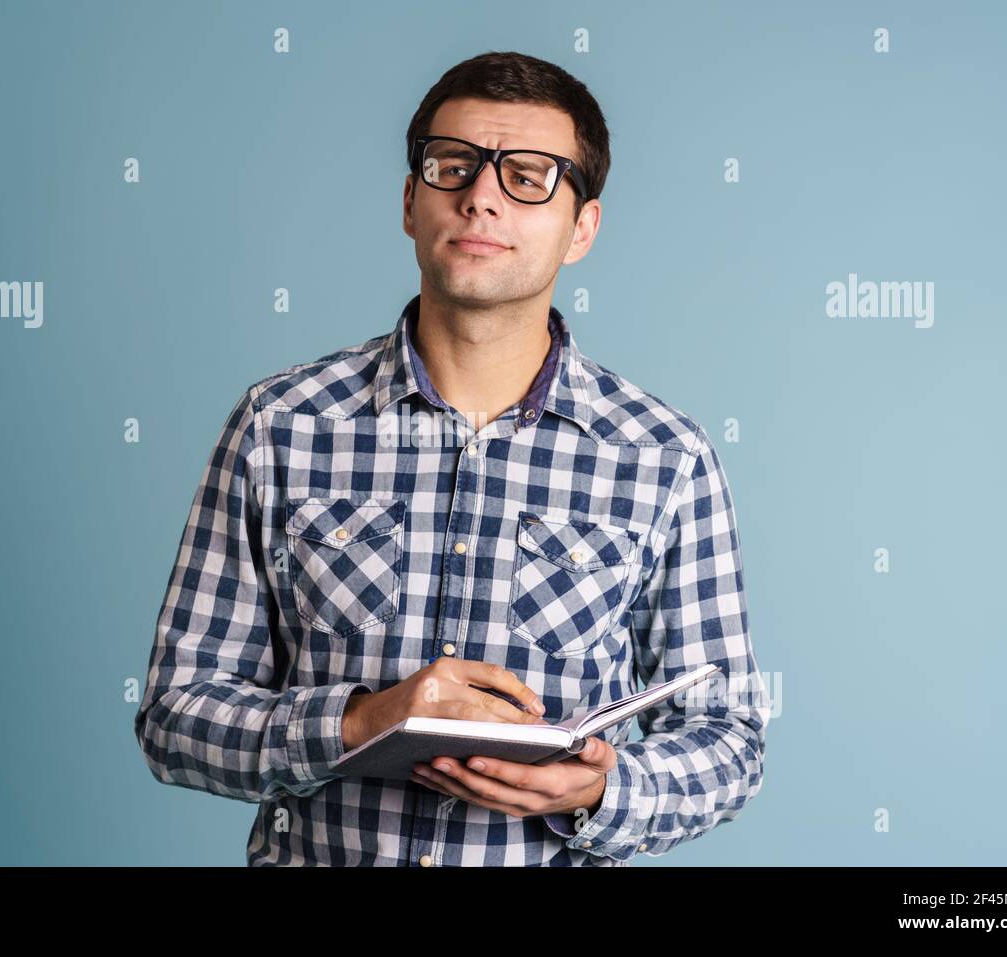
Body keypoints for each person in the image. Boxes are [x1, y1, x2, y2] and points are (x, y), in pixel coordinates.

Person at [134, 50, 768, 866]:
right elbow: (174, 718)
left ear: (583, 227)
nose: (481, 197)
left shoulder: (664, 457)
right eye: (453, 167)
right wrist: (361, 720)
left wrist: (604, 789)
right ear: (410, 200)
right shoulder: (279, 425)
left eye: (529, 176)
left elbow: (730, 736)